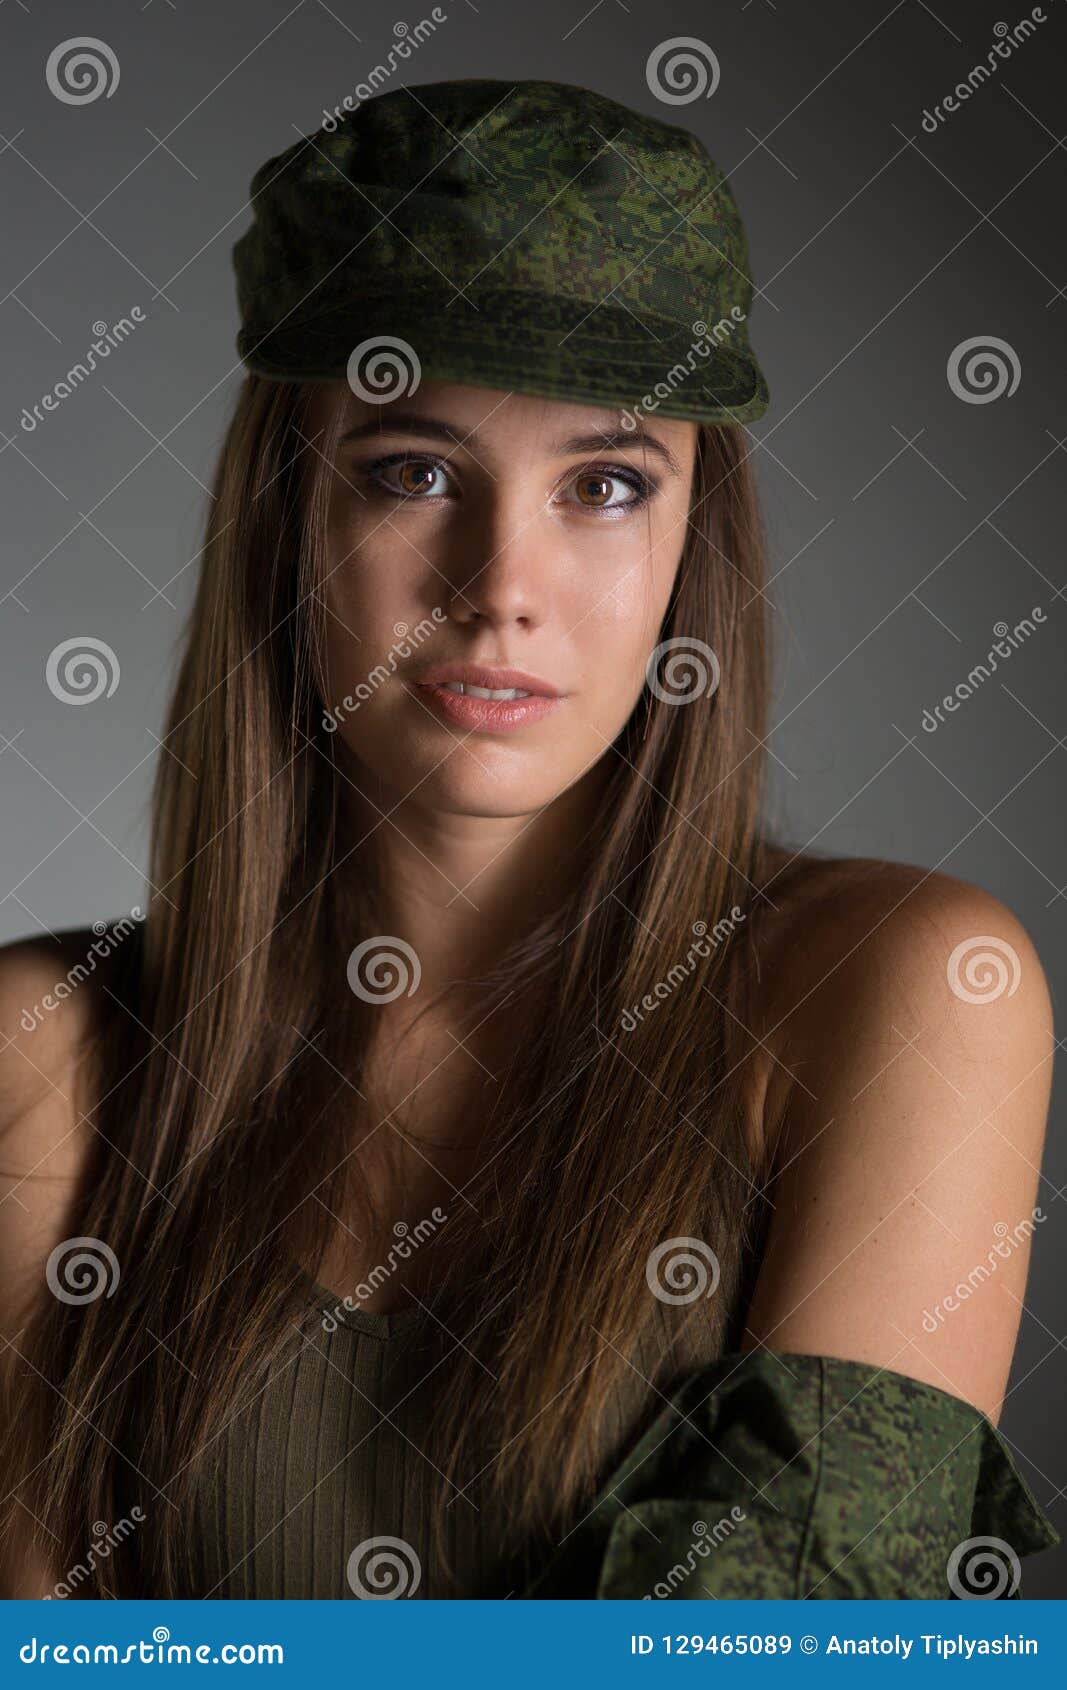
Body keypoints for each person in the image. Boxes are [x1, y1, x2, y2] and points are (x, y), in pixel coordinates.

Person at [0, 77, 1057, 1601]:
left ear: (697, 538)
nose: (502, 582)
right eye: (413, 471)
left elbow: (797, 1656)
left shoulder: (903, 992)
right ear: (281, 514)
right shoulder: (57, 1059)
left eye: (606, 485)